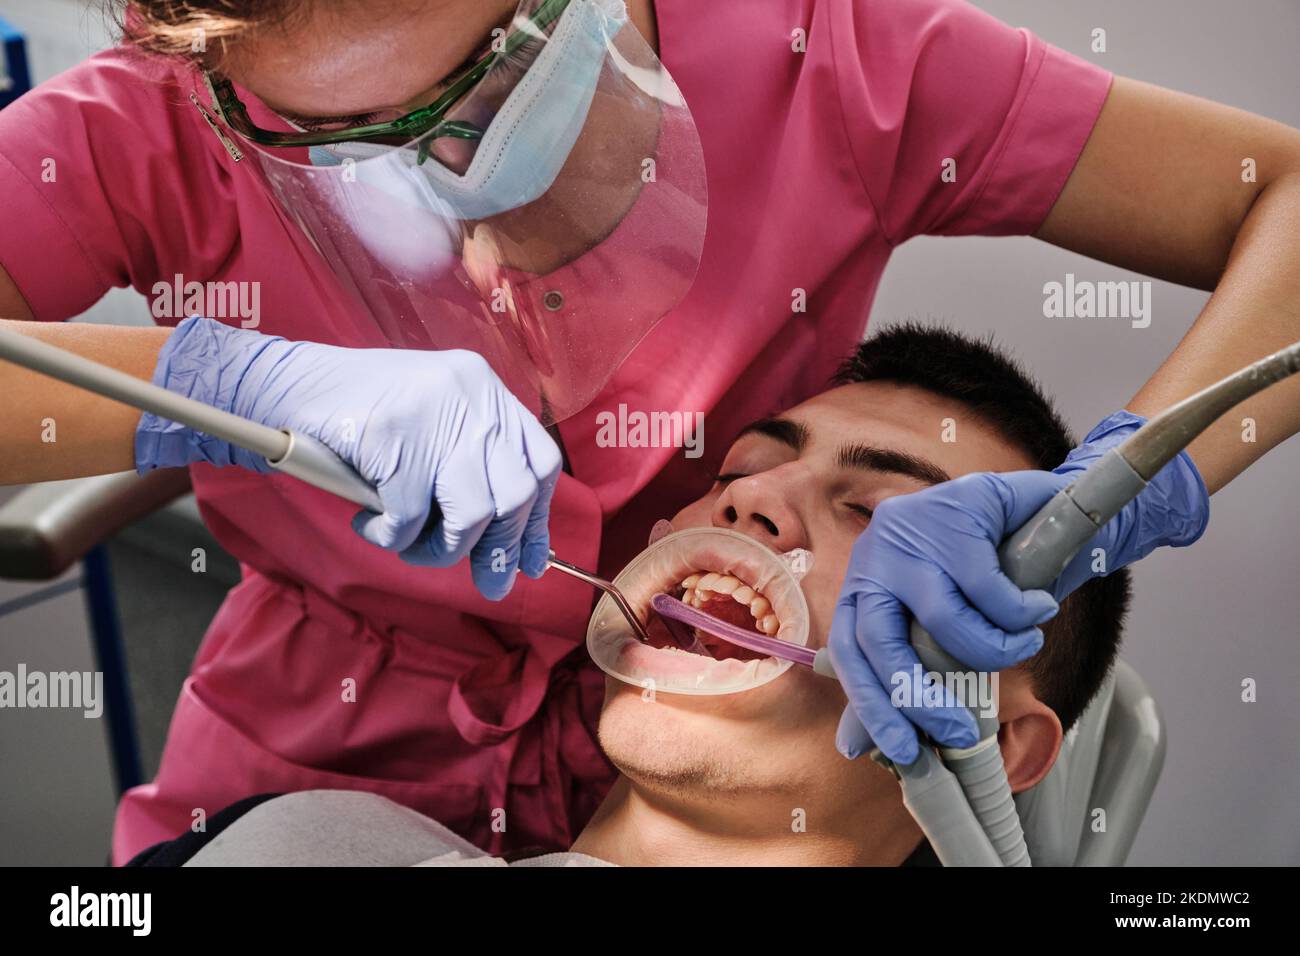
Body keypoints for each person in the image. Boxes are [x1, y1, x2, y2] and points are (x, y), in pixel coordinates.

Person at [0, 0, 1296, 865]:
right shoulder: (141, 126)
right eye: (325, 141)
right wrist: (226, 385)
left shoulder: (824, 52)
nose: (423, 174)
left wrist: (1139, 476)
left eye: (477, 82)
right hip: (310, 753)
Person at [127, 324, 1133, 866]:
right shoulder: (300, 839)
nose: (749, 500)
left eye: (877, 516)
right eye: (740, 465)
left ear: (995, 748)